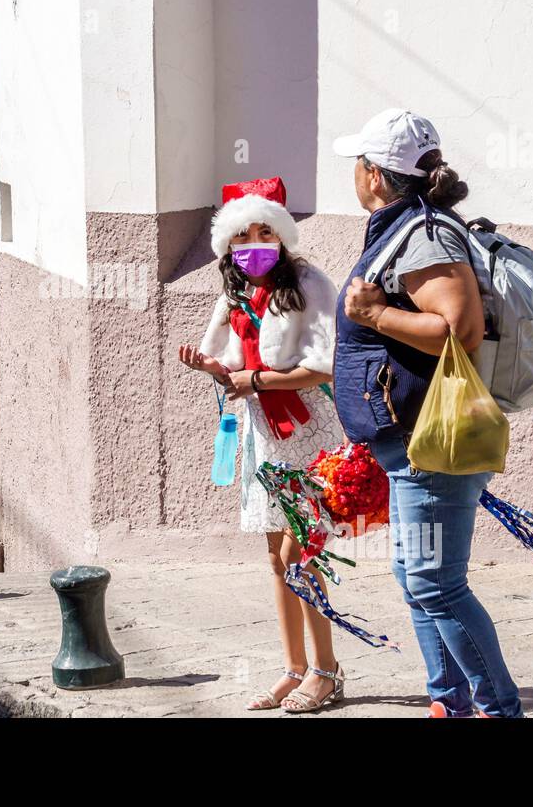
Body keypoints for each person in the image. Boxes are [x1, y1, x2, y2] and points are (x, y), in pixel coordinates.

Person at [330, 108, 523, 718]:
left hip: (430, 443)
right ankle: (449, 701)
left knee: (437, 583)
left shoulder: (425, 235)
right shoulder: (406, 228)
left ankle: (497, 708)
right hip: (408, 443)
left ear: (376, 175)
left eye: (358, 165)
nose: (354, 176)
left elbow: (459, 331)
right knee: (418, 579)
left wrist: (374, 315)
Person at [179, 177, 346, 713]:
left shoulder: (310, 283)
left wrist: (258, 381)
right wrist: (211, 369)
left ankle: (327, 670)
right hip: (261, 434)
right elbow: (228, 364)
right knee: (276, 556)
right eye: (242, 236)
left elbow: (323, 366)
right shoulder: (236, 293)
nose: (254, 245)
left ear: (281, 233)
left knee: (302, 553)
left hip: (305, 432)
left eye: (263, 232)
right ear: (228, 244)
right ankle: (294, 668)